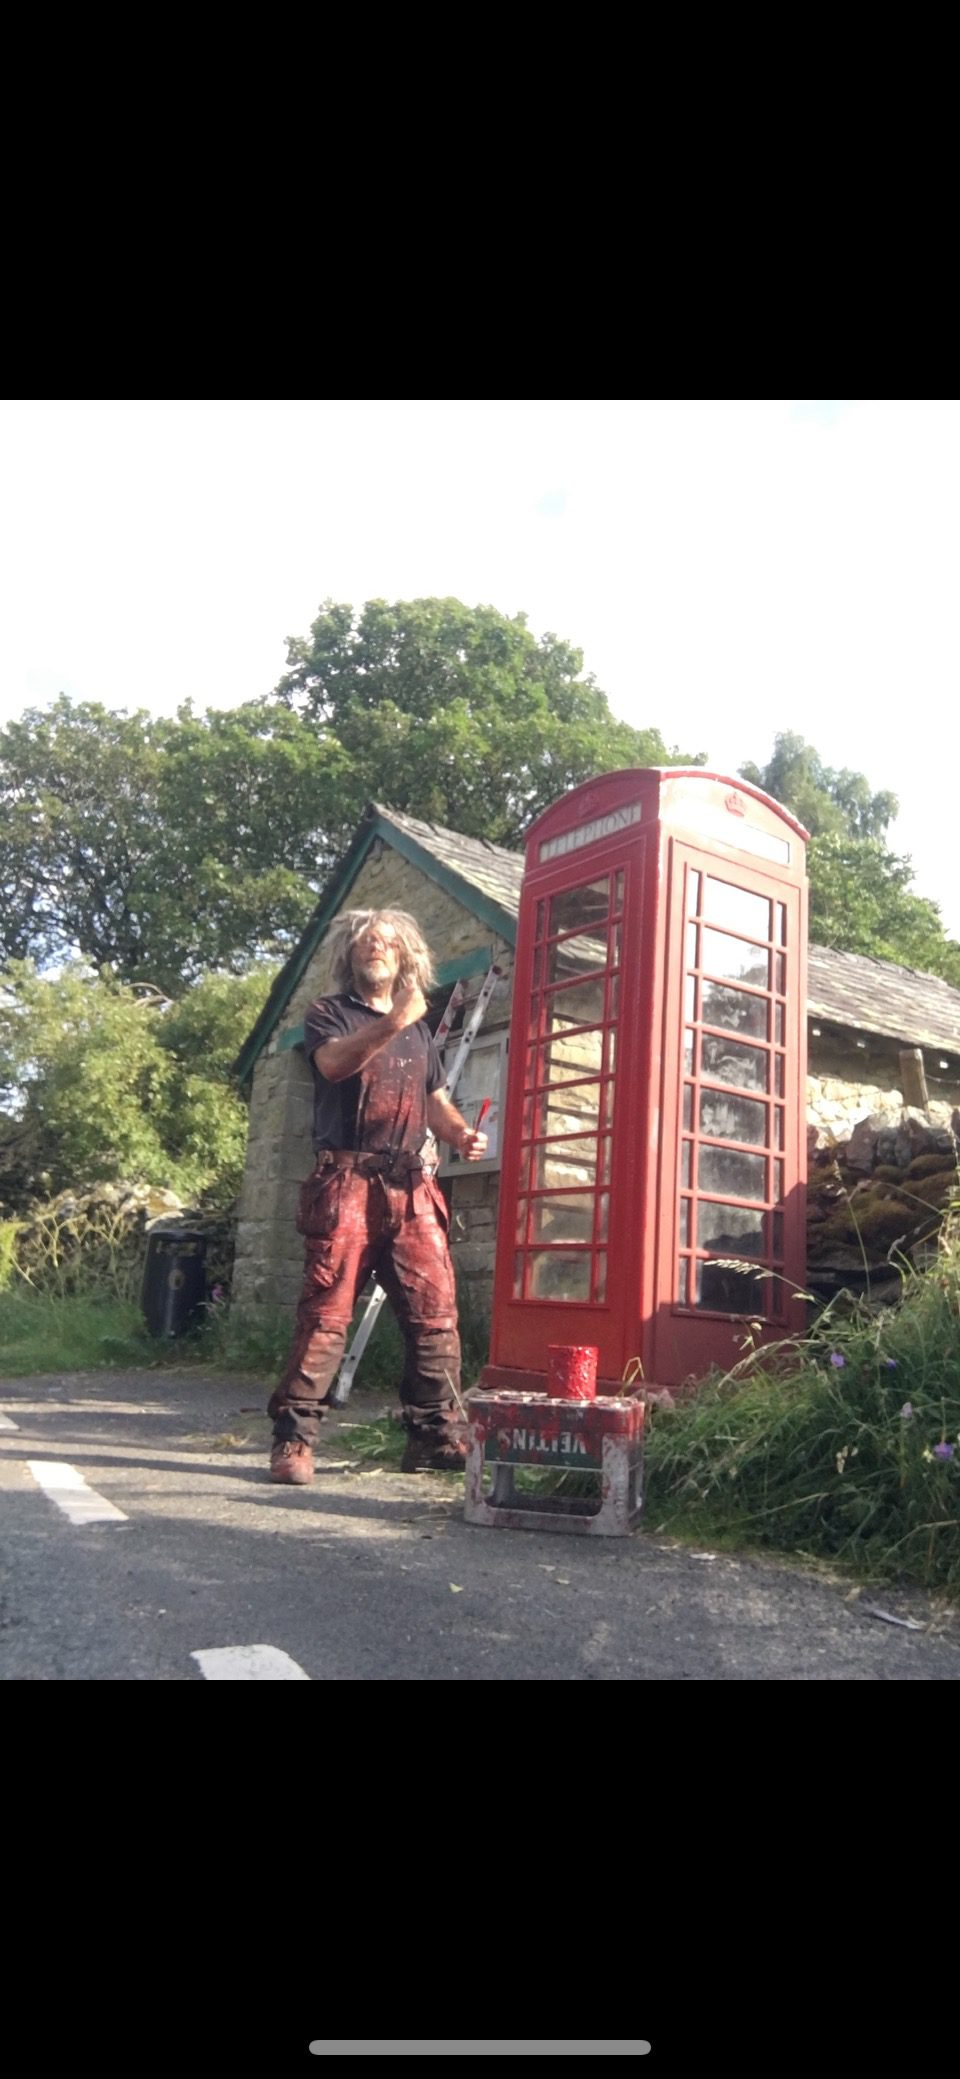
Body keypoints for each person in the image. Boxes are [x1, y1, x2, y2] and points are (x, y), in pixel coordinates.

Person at [267, 908, 488, 1484]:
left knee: (436, 1317)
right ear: (349, 954)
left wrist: (460, 1134)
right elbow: (334, 1065)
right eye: (366, 941)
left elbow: (434, 1100)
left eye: (388, 942)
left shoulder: (420, 1032)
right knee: (326, 1317)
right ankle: (294, 1440)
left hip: (411, 1187)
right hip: (347, 1183)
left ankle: (433, 1438)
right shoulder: (329, 1014)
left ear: (405, 956)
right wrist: (394, 1020)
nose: (376, 948)